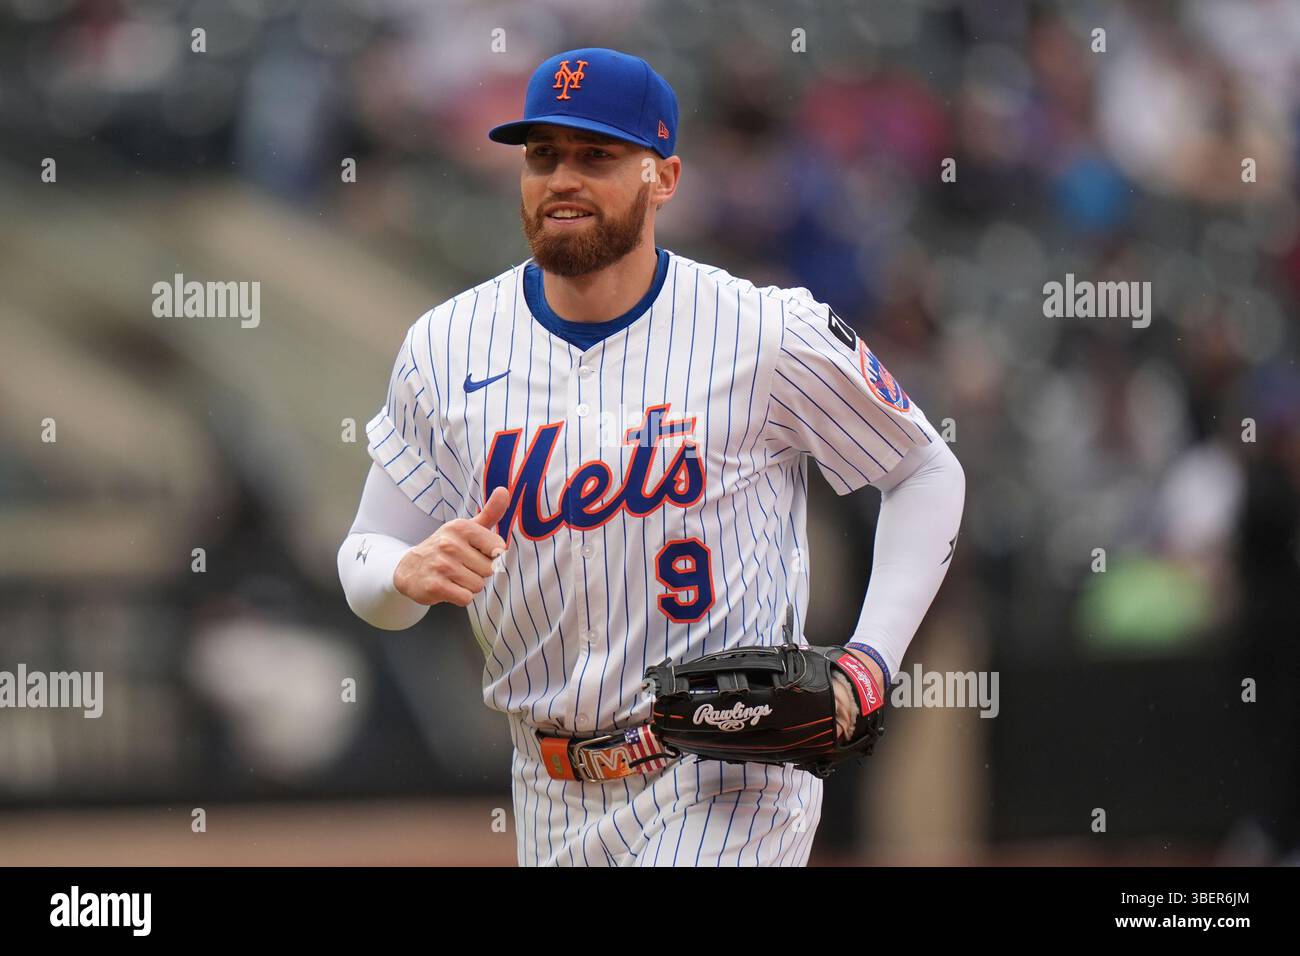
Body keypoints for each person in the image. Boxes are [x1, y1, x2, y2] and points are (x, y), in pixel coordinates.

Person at [337, 47, 965, 866]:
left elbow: (923, 468)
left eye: (596, 155)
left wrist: (870, 662)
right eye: (542, 155)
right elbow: (363, 559)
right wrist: (403, 573)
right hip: (549, 786)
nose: (563, 177)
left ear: (662, 178)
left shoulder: (762, 332)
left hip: (731, 770)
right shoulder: (445, 346)